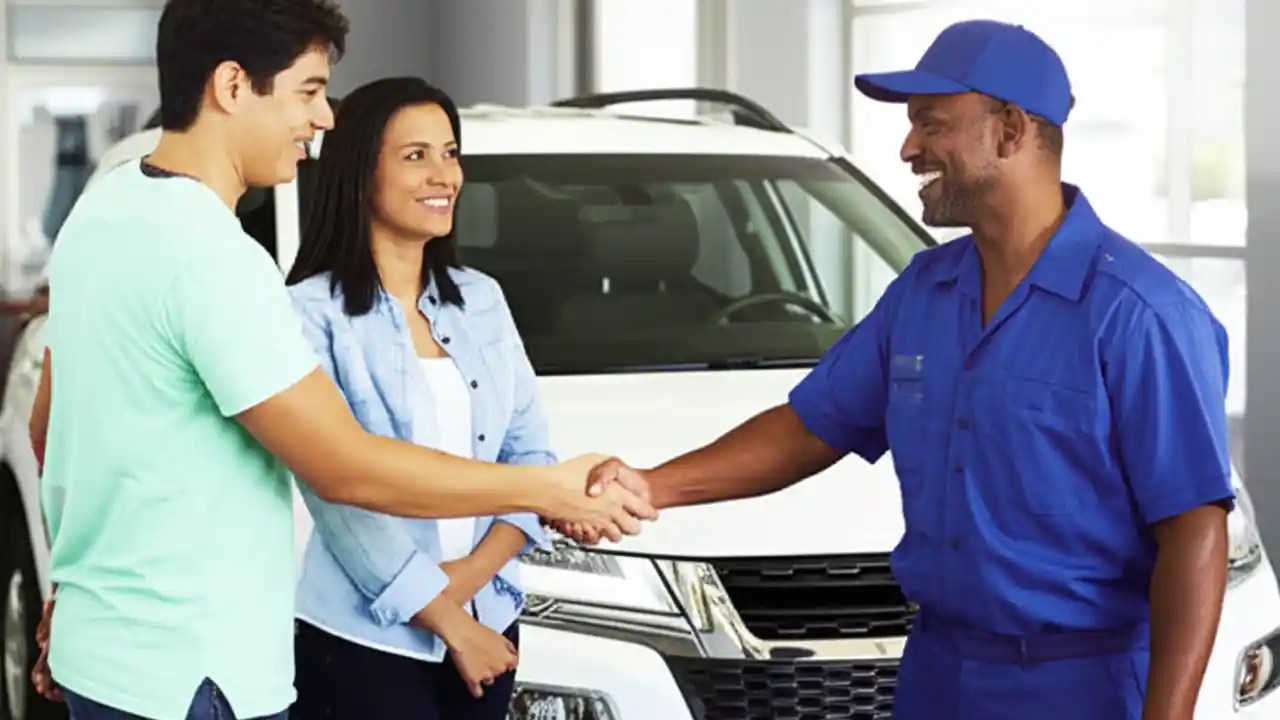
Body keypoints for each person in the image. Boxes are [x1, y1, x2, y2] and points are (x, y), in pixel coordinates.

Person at [571, 19, 1234, 720]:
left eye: (932, 123)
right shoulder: (924, 290)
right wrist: (651, 486)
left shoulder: (1141, 314)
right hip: (937, 673)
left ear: (1010, 130)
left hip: (1080, 683)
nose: (909, 147)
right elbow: (808, 429)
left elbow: (1195, 529)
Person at [27, 1, 655, 719]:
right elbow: (344, 469)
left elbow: (54, 429)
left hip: (109, 659)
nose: (324, 118)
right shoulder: (213, 257)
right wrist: (549, 488)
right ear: (233, 87)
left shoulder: (101, 212)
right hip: (197, 676)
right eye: (308, 90)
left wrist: (76, 589)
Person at [283, 77, 540, 719]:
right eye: (416, 155)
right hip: (363, 640)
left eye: (450, 153)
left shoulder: (481, 299)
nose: (443, 175)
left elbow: (530, 455)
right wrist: (442, 615)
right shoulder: (308, 314)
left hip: (490, 621)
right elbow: (339, 491)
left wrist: (467, 587)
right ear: (359, 173)